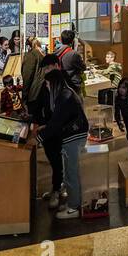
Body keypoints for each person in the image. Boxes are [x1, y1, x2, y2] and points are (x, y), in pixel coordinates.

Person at [30, 65, 88, 221]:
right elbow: (56, 122)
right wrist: (45, 128)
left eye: (48, 84)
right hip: (72, 135)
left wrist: (37, 138)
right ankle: (72, 202)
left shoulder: (64, 97)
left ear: (54, 83)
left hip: (73, 137)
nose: (46, 87)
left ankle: (74, 207)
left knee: (71, 173)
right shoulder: (65, 93)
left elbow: (56, 123)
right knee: (69, 172)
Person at [20, 36, 47, 115]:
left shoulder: (31, 55)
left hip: (34, 93)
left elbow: (27, 77)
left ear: (28, 46)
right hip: (42, 91)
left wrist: (24, 97)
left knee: (33, 119)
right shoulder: (42, 54)